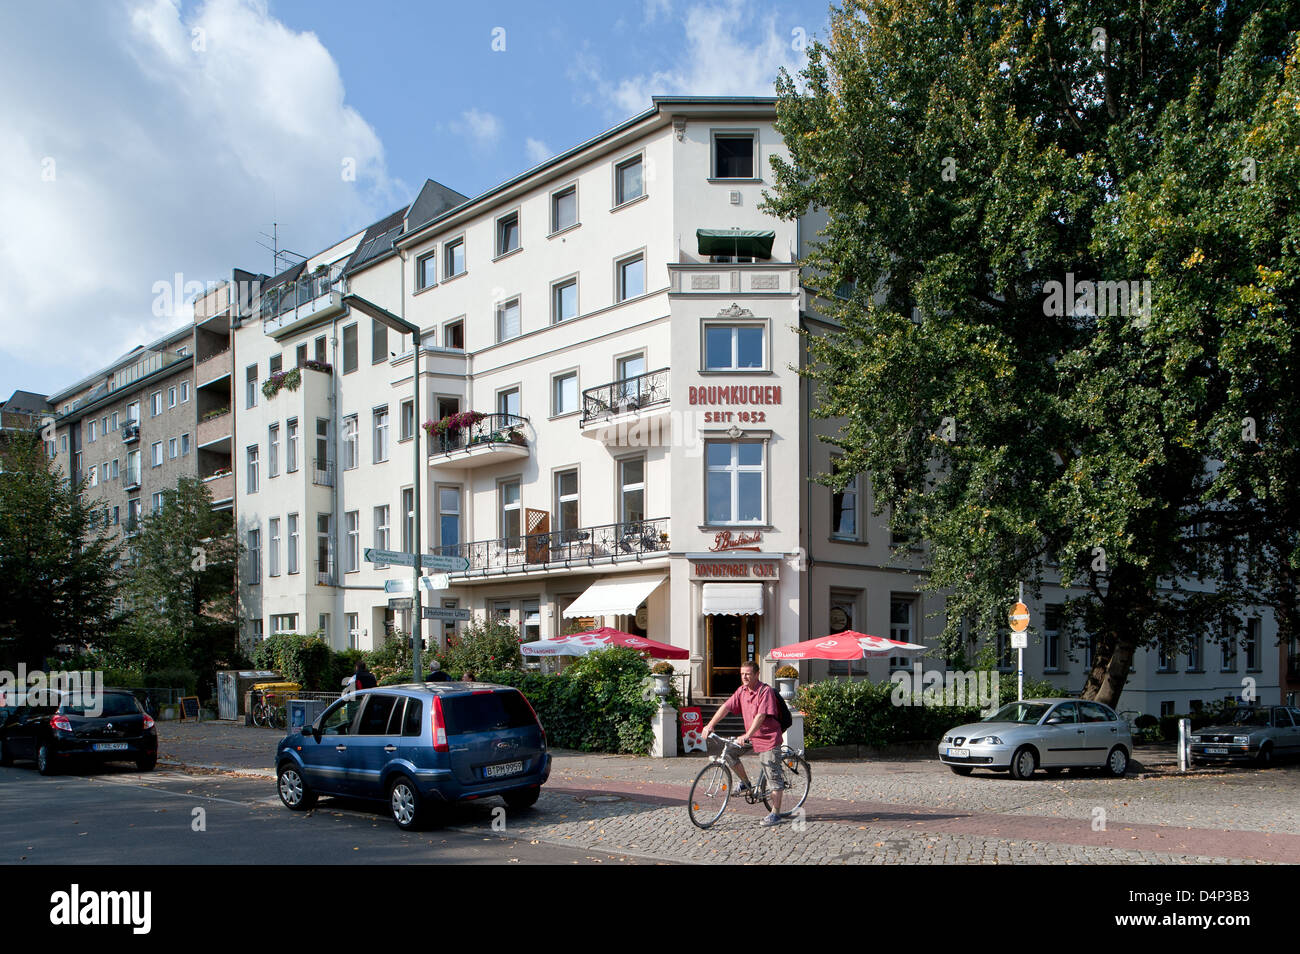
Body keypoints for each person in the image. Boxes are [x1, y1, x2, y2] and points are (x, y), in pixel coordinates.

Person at [701, 659, 786, 827]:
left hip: (768, 738)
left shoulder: (765, 691)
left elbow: (761, 716)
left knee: (773, 776)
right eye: (742, 674)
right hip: (751, 736)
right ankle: (746, 784)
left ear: (756, 674)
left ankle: (775, 813)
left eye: (748, 674)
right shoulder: (742, 691)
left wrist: (747, 734)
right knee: (730, 752)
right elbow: (726, 707)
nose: (744, 677)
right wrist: (710, 724)